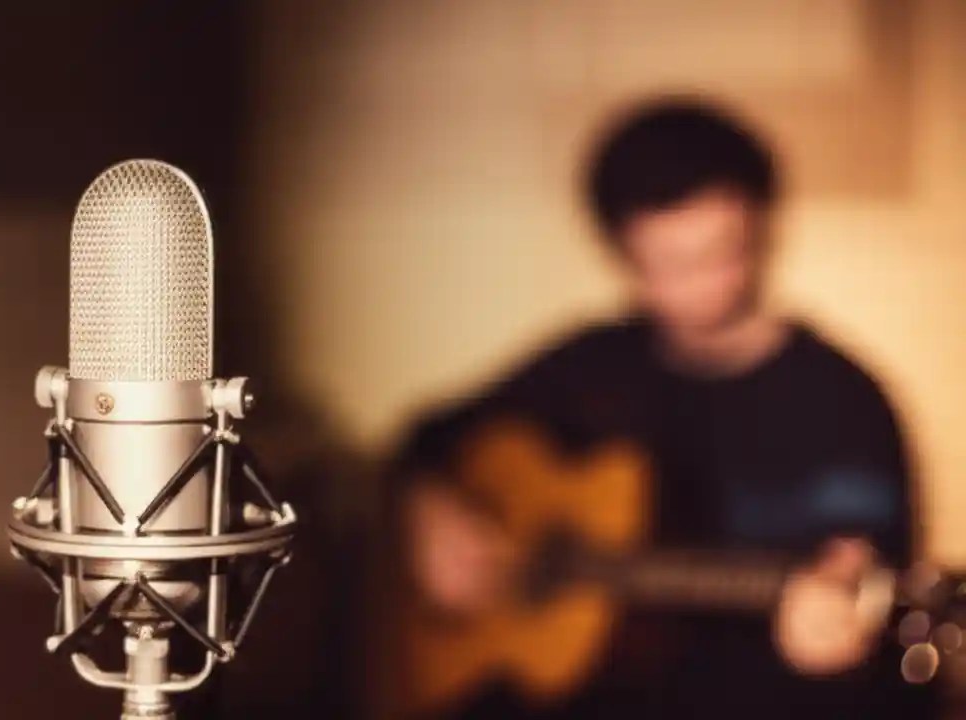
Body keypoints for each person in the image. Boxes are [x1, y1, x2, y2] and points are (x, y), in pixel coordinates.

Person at [394, 99, 929, 719]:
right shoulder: (585, 367)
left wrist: (842, 618)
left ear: (763, 227)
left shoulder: (843, 399)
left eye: (726, 252)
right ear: (626, 259)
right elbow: (427, 438)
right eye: (673, 264)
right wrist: (430, 511)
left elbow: (875, 576)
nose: (706, 281)